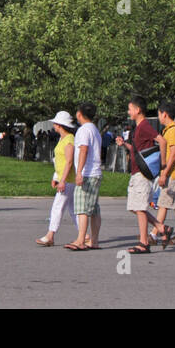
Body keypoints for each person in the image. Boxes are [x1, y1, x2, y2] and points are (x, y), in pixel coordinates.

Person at [113, 95, 163, 254]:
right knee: (134, 207)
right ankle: (161, 227)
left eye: (130, 109)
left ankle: (144, 242)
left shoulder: (144, 126)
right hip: (136, 171)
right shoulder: (138, 127)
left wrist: (163, 165)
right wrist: (124, 145)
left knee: (140, 208)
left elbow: (162, 141)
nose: (128, 112)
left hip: (143, 173)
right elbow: (137, 150)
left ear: (138, 110)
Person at [65, 103, 103, 251]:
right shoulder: (95, 129)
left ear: (80, 114)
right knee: (93, 209)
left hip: (87, 173)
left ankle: (81, 239)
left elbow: (83, 150)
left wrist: (79, 172)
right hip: (96, 173)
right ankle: (94, 240)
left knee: (82, 208)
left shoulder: (83, 130)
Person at [37, 111, 76, 247]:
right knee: (73, 209)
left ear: (60, 125)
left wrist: (63, 180)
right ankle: (85, 235)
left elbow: (69, 162)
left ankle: (50, 235)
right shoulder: (63, 139)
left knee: (57, 207)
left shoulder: (69, 140)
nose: (54, 125)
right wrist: (56, 176)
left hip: (68, 180)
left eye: (55, 123)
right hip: (65, 178)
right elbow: (59, 160)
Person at [154, 103, 175, 247]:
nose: (158, 117)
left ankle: (153, 234)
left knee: (163, 204)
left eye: (159, 114)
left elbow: (173, 155)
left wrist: (164, 173)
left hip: (173, 173)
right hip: (174, 173)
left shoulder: (173, 131)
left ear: (165, 114)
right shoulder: (169, 130)